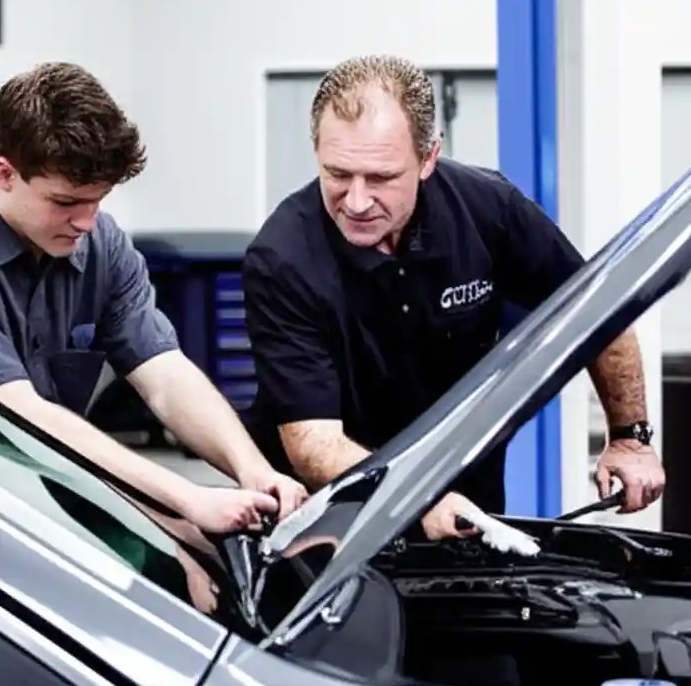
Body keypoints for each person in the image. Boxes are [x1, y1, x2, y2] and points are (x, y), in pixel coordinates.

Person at [241, 54, 665, 541]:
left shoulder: (488, 210)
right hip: (333, 521)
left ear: (428, 158)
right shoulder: (282, 258)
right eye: (337, 174)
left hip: (467, 505)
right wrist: (418, 500)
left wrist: (630, 438)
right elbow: (314, 445)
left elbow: (600, 312)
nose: (356, 201)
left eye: (380, 178)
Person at [0, 61, 308, 534]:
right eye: (65, 202)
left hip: (54, 491)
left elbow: (164, 374)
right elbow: (23, 414)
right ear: (4, 174)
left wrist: (253, 469)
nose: (86, 222)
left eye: (97, 200)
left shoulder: (100, 242)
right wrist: (186, 499)